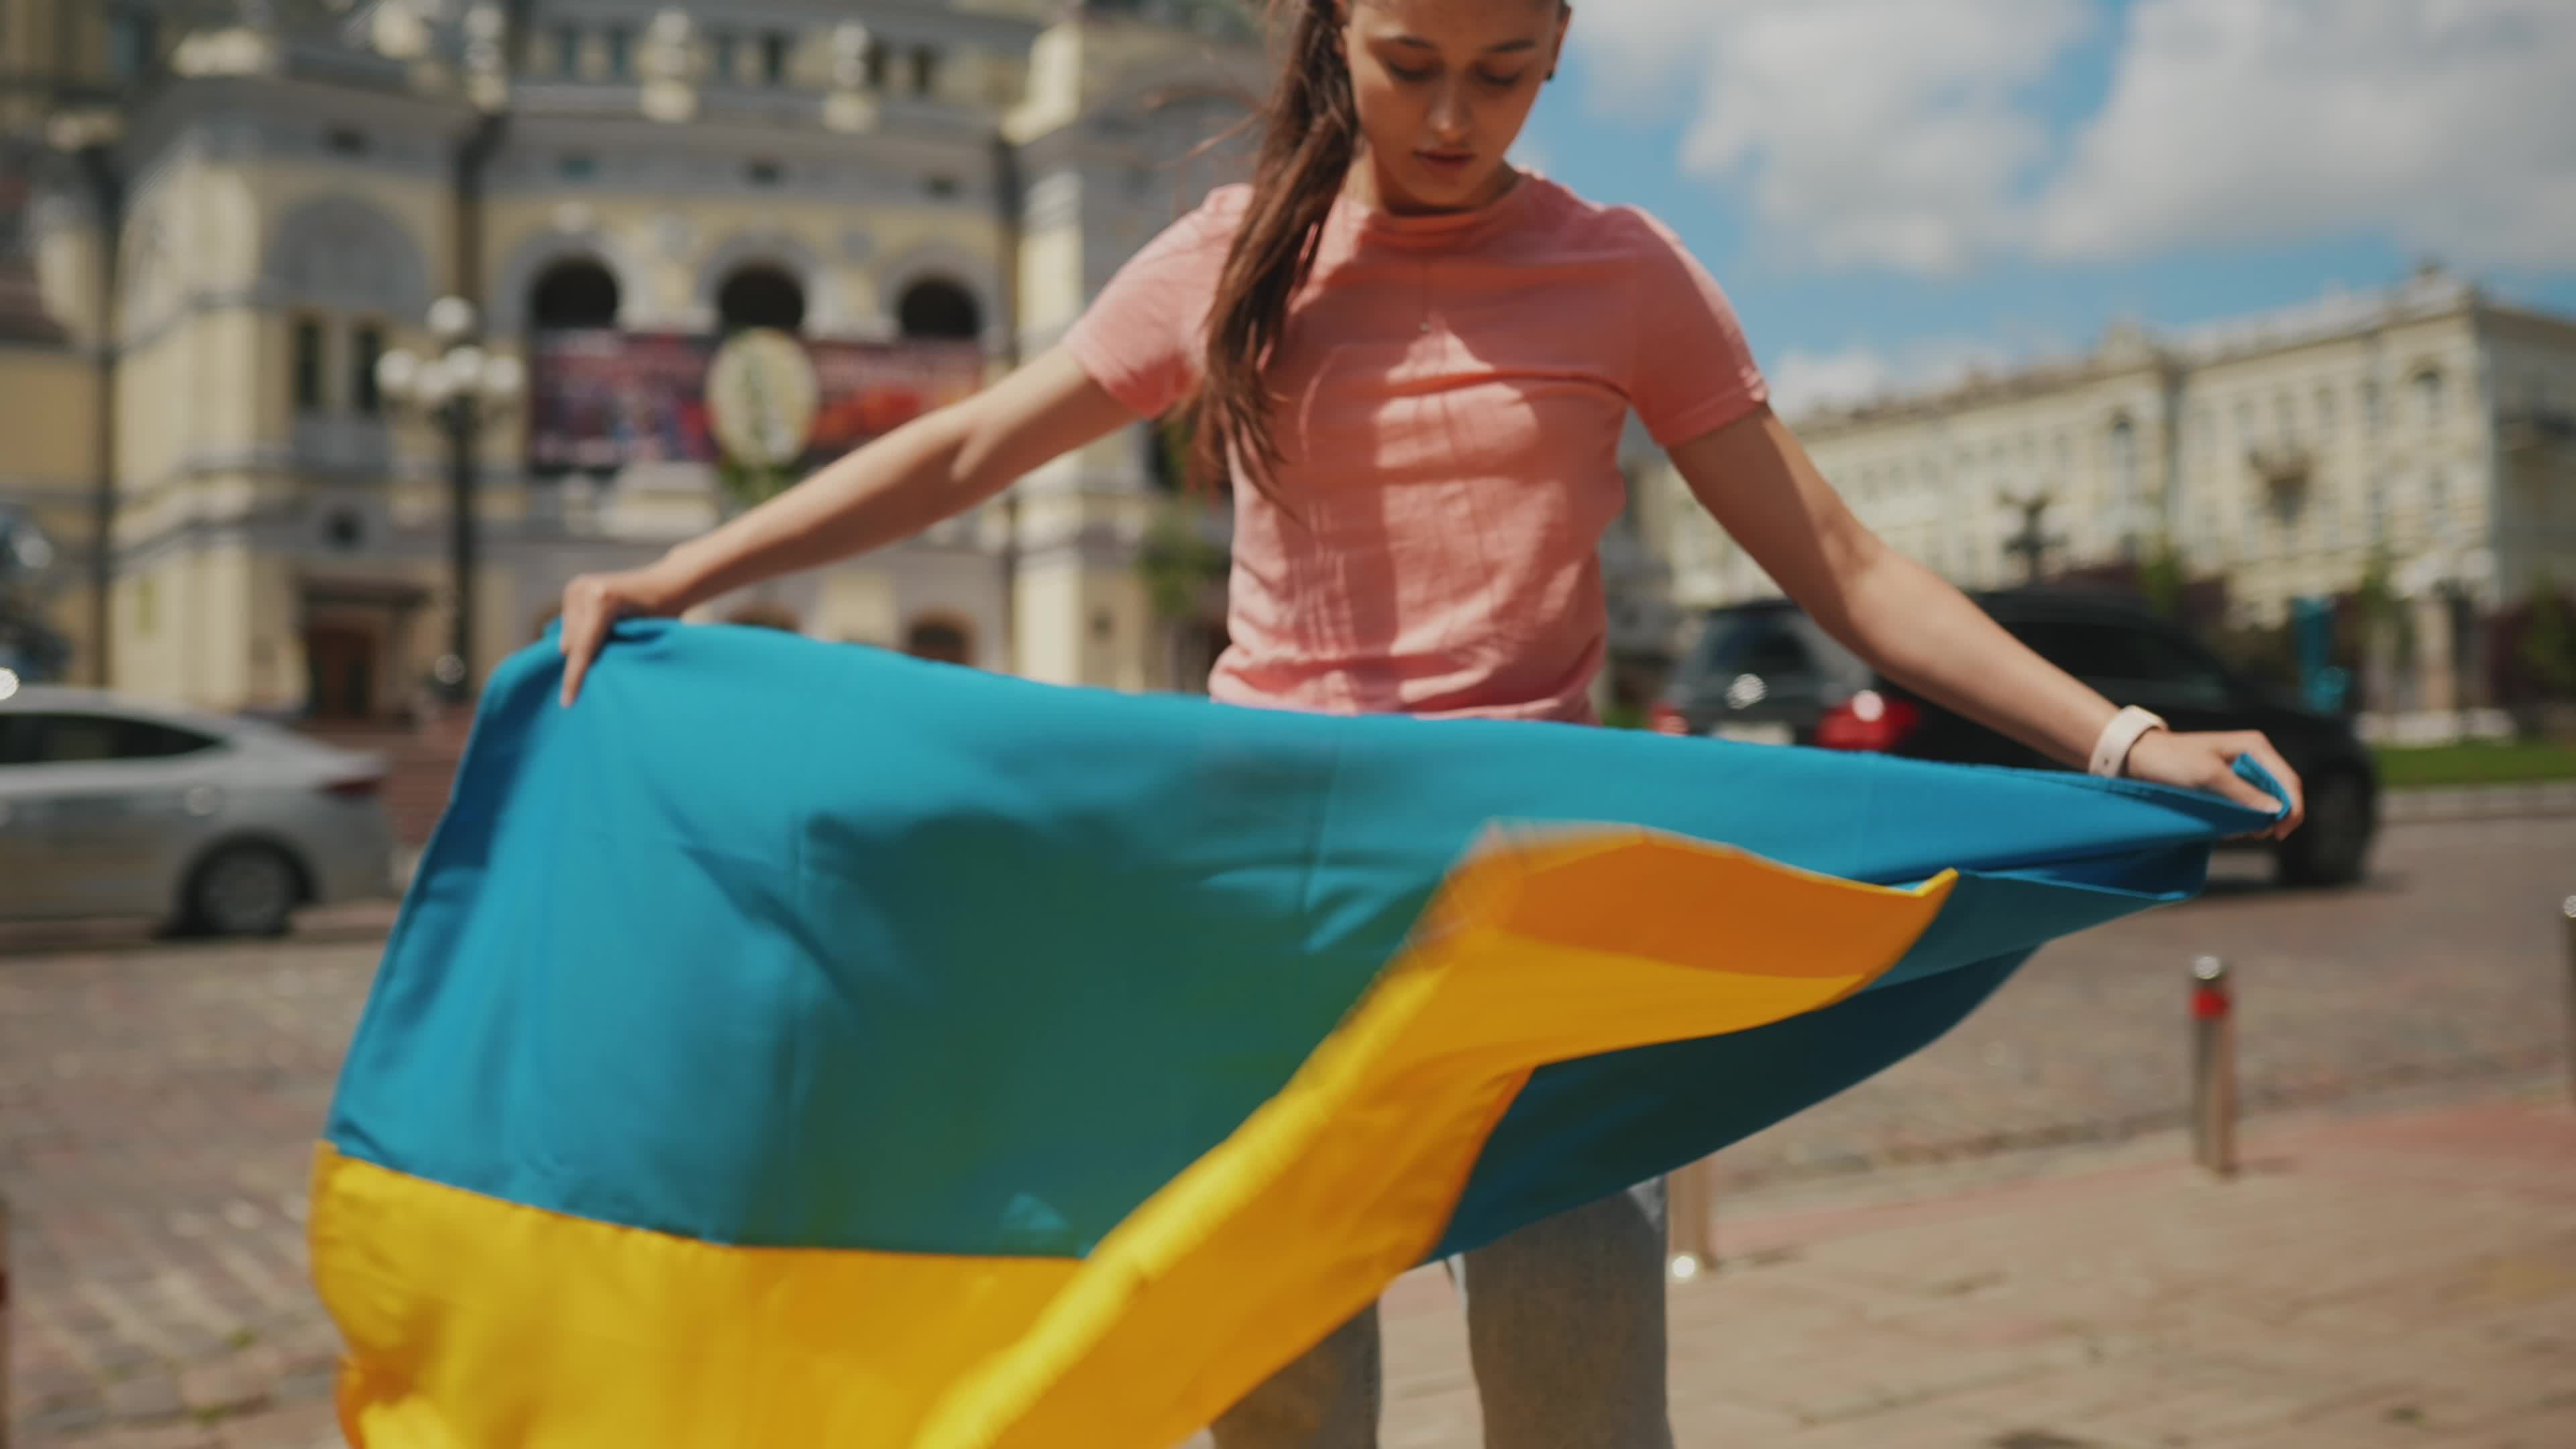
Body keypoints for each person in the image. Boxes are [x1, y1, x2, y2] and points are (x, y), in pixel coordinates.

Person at [555, 1, 2306, 1442]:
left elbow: (1844, 561)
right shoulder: (1234, 255)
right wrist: (686, 572)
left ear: (1557, 52)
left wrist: (2121, 743)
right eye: (1412, 63)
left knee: (1577, 1389)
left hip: (1527, 915)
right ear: (1331, 36)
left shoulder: (1623, 275)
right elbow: (960, 447)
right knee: (1285, 1405)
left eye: (1504, 68)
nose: (1456, 115)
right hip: (1266, 921)